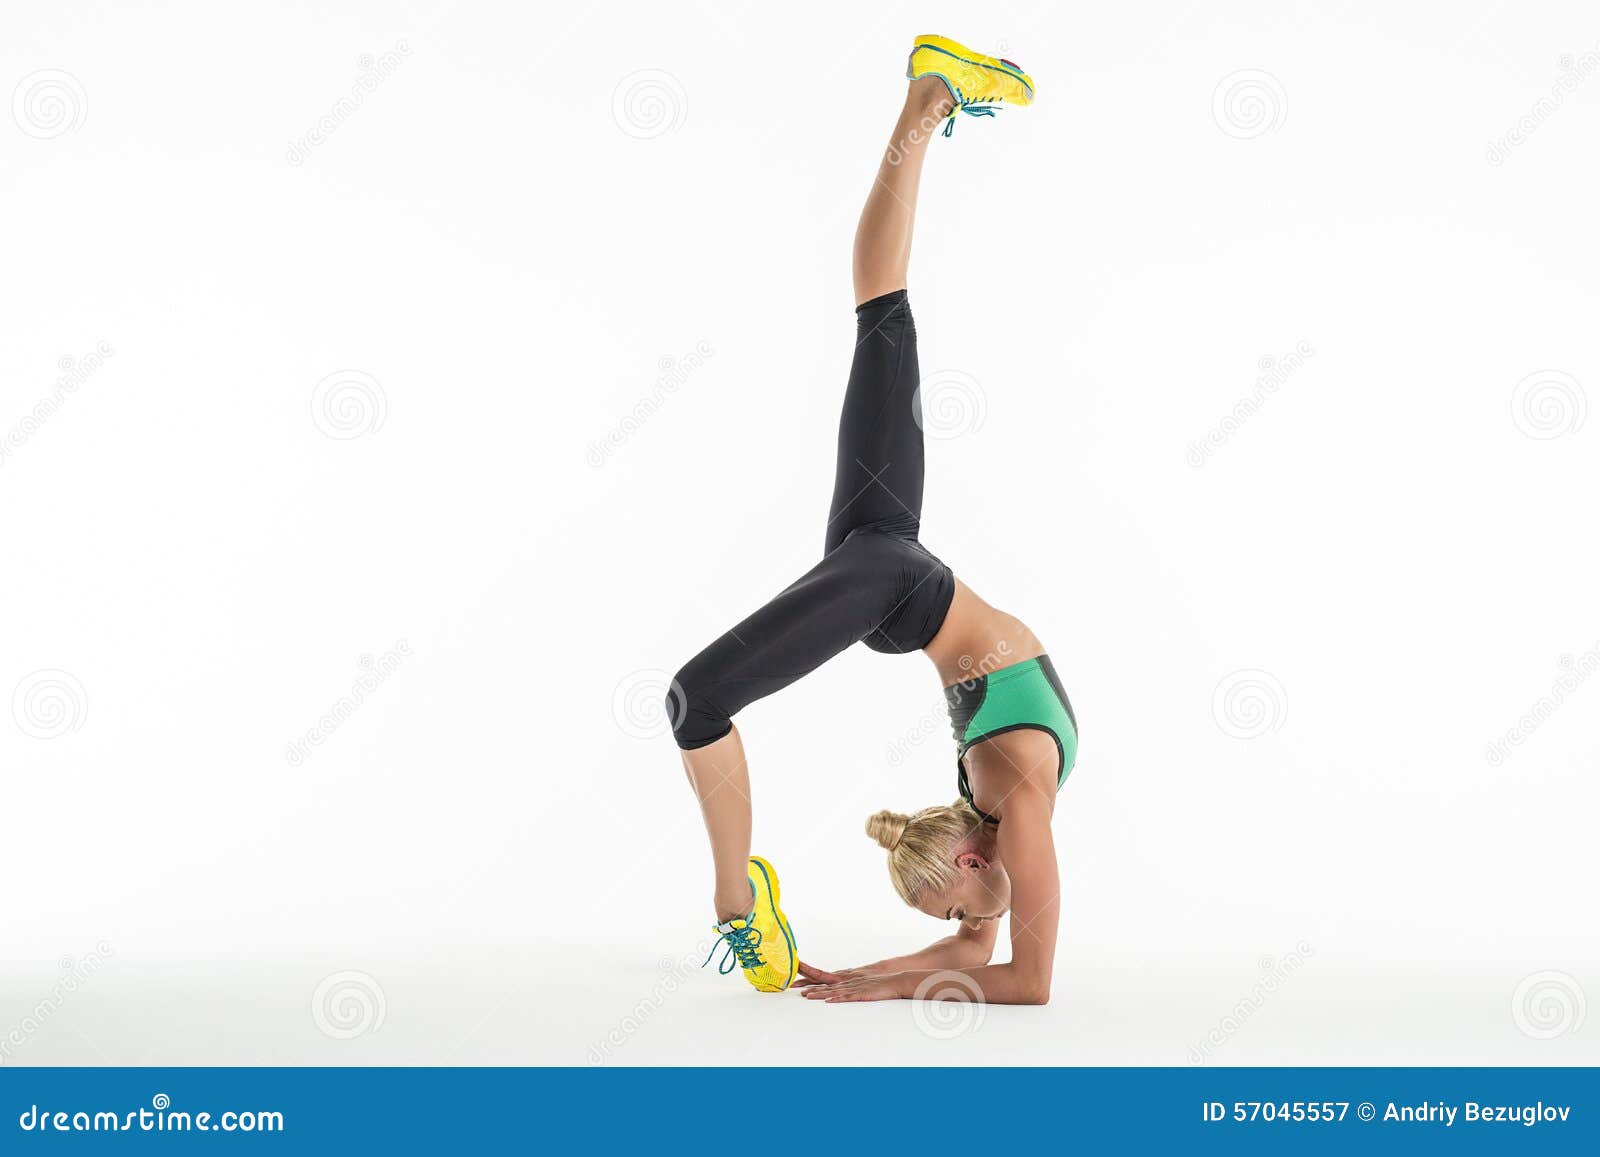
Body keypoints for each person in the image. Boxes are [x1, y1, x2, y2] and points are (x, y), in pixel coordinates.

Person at [667, 35, 1074, 1006]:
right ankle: (737, 903)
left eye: (946, 913)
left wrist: (872, 973)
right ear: (970, 863)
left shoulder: (997, 826)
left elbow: (976, 952)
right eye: (950, 908)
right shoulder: (1018, 808)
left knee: (882, 314)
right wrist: (892, 985)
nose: (960, 923)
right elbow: (1026, 982)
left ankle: (929, 96)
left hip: (896, 577)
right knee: (695, 699)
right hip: (898, 582)